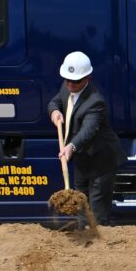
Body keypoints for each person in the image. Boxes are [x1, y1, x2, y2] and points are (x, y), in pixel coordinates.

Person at [47, 51, 122, 226]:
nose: (71, 84)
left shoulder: (96, 102)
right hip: (82, 160)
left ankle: (98, 244)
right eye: (67, 80)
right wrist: (54, 111)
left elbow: (88, 130)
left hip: (101, 162)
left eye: (76, 81)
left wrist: (71, 147)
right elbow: (55, 101)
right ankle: (83, 237)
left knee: (96, 212)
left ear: (87, 78)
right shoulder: (66, 87)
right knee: (80, 205)